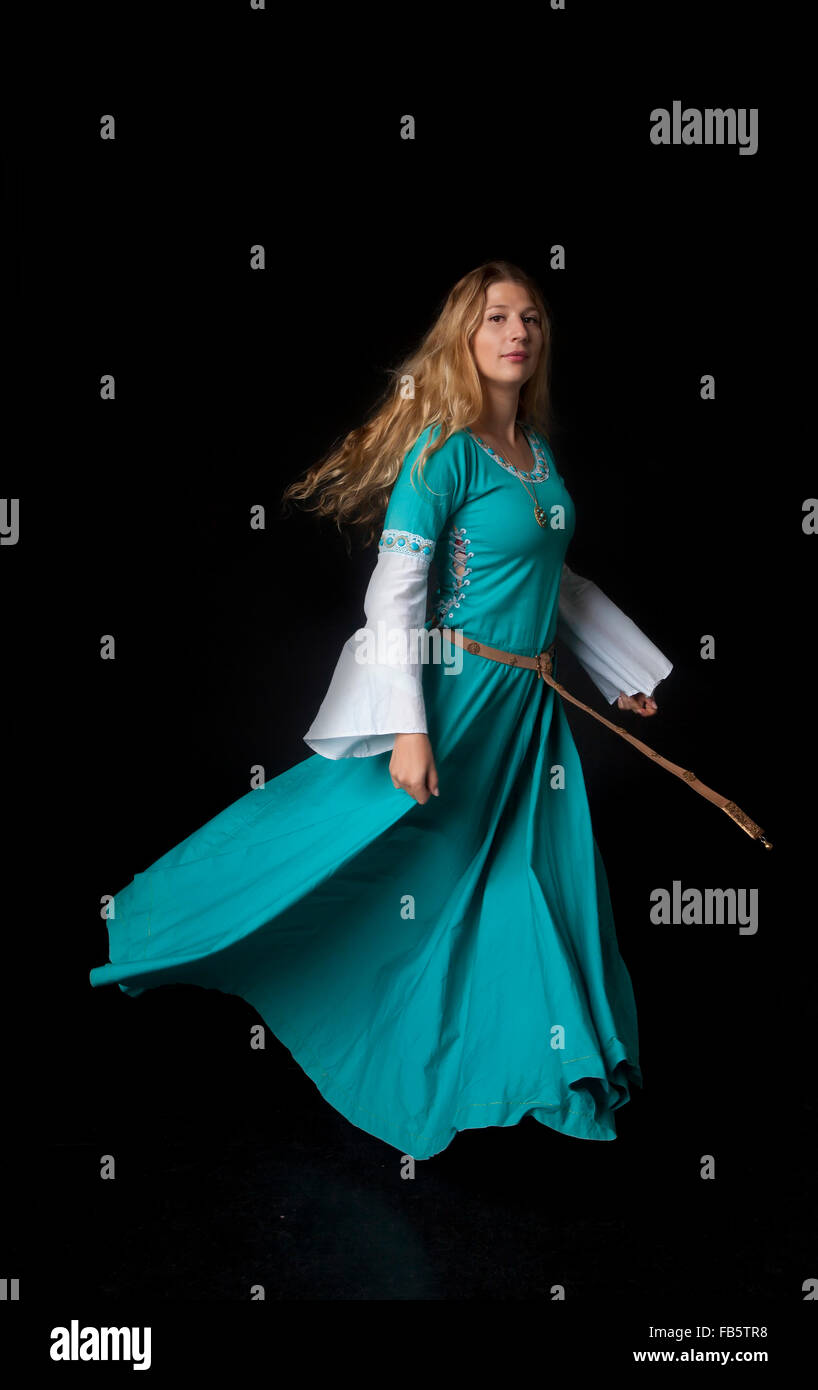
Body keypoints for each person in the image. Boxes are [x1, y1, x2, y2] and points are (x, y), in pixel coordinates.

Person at [90, 260, 673, 1161]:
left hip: (528, 713)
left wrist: (624, 670)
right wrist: (409, 726)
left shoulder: (538, 457)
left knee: (528, 882)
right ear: (464, 340)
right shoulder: (441, 458)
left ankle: (549, 1071)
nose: (517, 333)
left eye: (530, 319)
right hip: (456, 700)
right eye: (495, 320)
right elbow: (394, 597)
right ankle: (166, 930)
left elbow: (558, 584)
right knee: (340, 842)